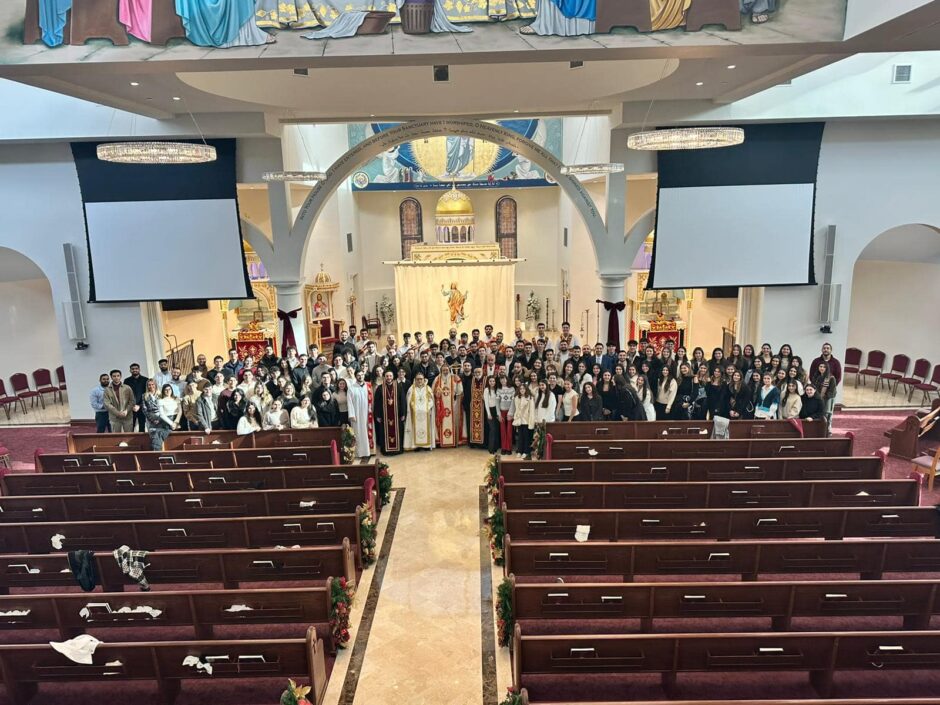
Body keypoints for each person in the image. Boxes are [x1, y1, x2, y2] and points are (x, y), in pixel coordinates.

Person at [374, 370, 407, 455]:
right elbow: (376, 403)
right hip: (384, 415)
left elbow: (403, 401)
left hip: (397, 415)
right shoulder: (380, 388)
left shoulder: (398, 387)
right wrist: (377, 415)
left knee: (398, 432)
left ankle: (398, 449)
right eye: (387, 376)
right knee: (384, 433)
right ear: (384, 377)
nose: (389, 378)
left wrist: (403, 413)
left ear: (393, 377)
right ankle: (386, 450)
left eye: (390, 376)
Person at [432, 362, 464, 448]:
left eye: (446, 369)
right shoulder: (437, 379)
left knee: (453, 421)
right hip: (441, 405)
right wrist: (436, 392)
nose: (445, 371)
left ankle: (453, 441)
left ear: (449, 370)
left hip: (452, 404)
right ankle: (441, 441)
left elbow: (459, 391)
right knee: (442, 421)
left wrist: (459, 381)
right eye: (443, 370)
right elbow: (432, 391)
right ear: (441, 370)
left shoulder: (454, 377)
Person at [404, 372, 436, 451]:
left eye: (421, 379)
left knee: (426, 428)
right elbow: (409, 401)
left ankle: (426, 446)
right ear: (415, 380)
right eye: (417, 379)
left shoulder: (428, 388)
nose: (419, 381)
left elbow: (431, 400)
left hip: (426, 413)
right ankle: (416, 446)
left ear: (424, 379)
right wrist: (415, 408)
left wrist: (426, 408)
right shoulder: (411, 389)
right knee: (415, 429)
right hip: (415, 413)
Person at [810, 343, 842, 422]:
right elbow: (811, 375)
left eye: (828, 348)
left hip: (829, 394)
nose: (826, 350)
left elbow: (838, 377)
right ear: (822, 350)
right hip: (817, 392)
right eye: (824, 348)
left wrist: (829, 387)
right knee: (816, 411)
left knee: (828, 413)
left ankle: (827, 430)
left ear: (831, 350)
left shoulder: (836, 362)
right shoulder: (816, 361)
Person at [347, 370, 374, 458]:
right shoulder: (351, 388)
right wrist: (352, 415)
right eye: (358, 375)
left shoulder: (369, 386)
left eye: (362, 375)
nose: (360, 377)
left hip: (368, 413)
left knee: (368, 431)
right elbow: (349, 402)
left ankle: (370, 451)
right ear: (355, 376)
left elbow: (372, 400)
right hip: (357, 415)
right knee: (359, 433)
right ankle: (360, 452)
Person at [811, 360, 838, 428]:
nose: (822, 368)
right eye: (820, 366)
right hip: (817, 399)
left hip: (827, 400)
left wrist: (823, 397)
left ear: (827, 368)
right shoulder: (816, 376)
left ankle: (827, 431)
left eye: (824, 367)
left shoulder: (831, 378)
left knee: (826, 416)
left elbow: (832, 392)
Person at [511, 383, 535, 458]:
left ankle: (526, 451)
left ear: (526, 389)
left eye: (523, 389)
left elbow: (532, 411)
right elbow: (516, 409)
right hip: (519, 419)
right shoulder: (516, 398)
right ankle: (520, 450)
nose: (522, 390)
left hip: (527, 420)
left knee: (526, 436)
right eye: (520, 389)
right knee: (520, 436)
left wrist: (531, 422)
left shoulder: (530, 398)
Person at [467, 367, 487, 448]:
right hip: (473, 408)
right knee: (472, 425)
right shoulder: (471, 381)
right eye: (475, 372)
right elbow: (468, 394)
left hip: (484, 408)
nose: (477, 373)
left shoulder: (486, 380)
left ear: (482, 372)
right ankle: (474, 443)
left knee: (484, 426)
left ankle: (483, 444)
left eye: (479, 372)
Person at [125, 363, 149, 432]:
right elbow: (126, 395)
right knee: (130, 426)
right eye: (133, 369)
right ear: (130, 370)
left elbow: (146, 394)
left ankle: (142, 442)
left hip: (142, 406)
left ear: (139, 369)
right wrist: (132, 405)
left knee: (142, 426)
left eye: (136, 369)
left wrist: (139, 405)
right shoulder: (127, 381)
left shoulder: (145, 380)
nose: (134, 370)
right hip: (131, 407)